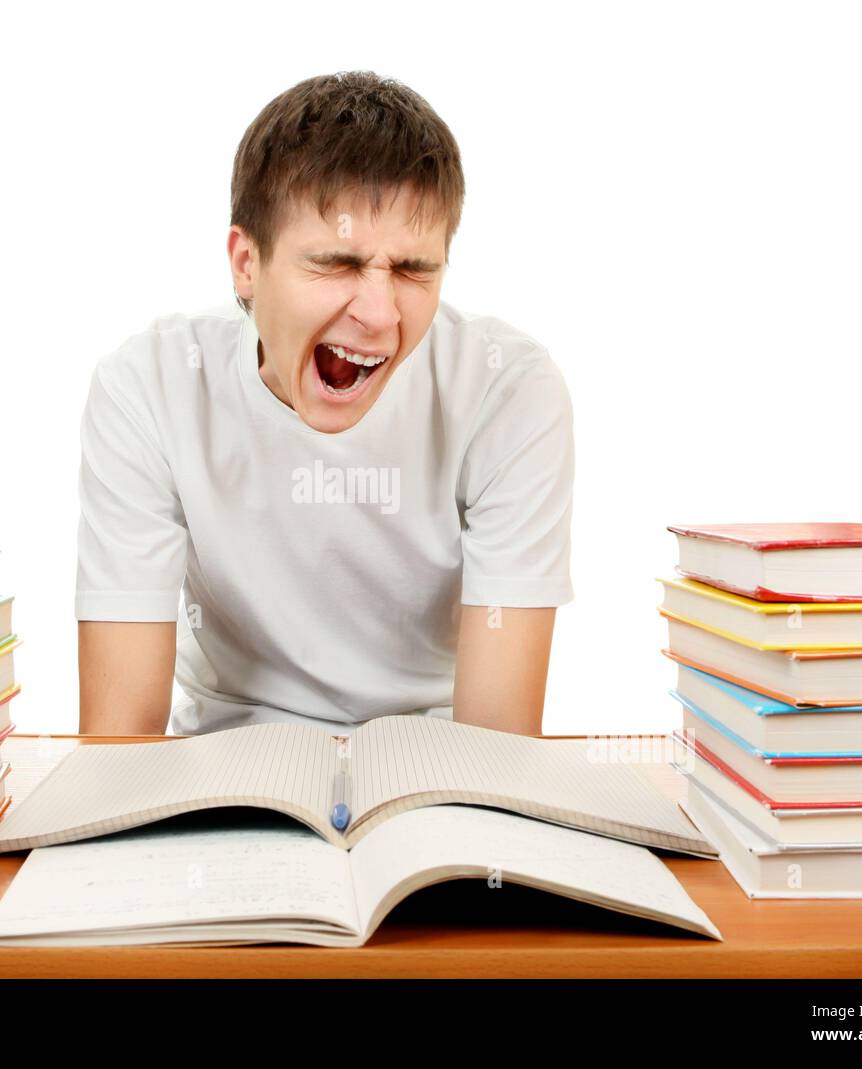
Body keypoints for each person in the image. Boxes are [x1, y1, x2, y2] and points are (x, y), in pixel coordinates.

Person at [77, 71, 574, 738]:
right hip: (226, 779)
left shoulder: (508, 389)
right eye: (337, 264)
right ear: (246, 262)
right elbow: (120, 746)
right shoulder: (149, 386)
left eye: (412, 270)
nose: (378, 313)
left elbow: (495, 746)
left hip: (435, 775)